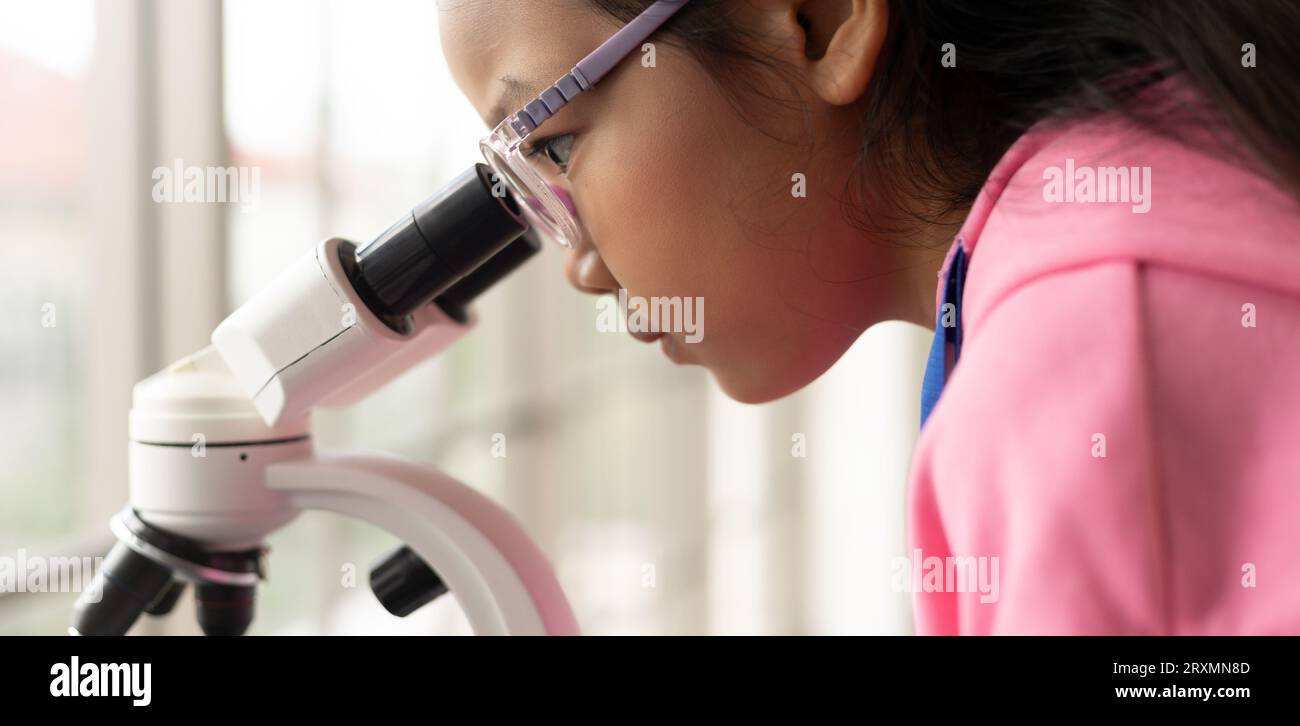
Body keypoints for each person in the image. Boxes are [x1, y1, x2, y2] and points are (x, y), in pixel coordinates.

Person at [439, 0, 1300, 634]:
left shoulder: (1095, 351)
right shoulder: (1158, 172)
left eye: (554, 145)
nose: (580, 267)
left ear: (821, 22)